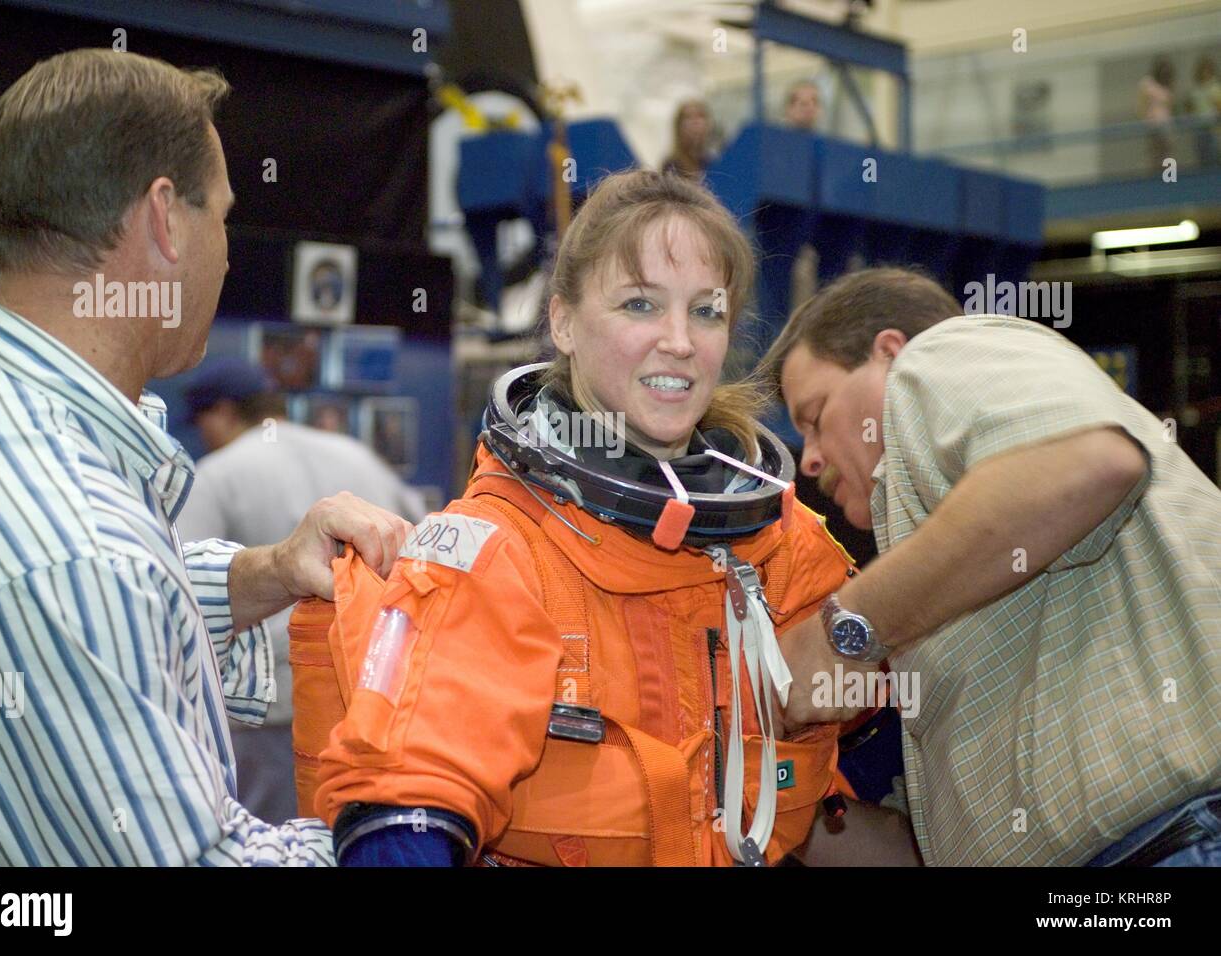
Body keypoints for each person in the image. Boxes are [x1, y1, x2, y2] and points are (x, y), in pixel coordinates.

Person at [305, 170, 922, 867]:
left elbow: (902, 774)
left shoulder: (786, 553)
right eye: (640, 304)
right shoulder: (501, 552)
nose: (680, 342)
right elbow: (409, 802)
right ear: (563, 321)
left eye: (707, 311)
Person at [0, 49, 412, 865]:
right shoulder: (70, 554)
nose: (225, 250)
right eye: (220, 214)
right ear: (162, 220)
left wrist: (266, 574)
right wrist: (416, 833)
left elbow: (112, 612)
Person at [765, 267, 1221, 866]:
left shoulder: (942, 356)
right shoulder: (949, 570)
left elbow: (1090, 462)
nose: (811, 460)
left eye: (816, 416)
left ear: (889, 353)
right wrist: (771, 790)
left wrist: (840, 634)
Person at [176, 357, 425, 823]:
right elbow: (421, 536)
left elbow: (180, 588)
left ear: (224, 413)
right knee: (356, 834)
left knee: (272, 838)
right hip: (376, 695)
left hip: (271, 709)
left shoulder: (218, 472)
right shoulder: (355, 453)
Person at [660, 99, 716, 180]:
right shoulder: (671, 166)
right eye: (688, 117)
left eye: (700, 116)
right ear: (678, 126)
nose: (695, 122)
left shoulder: (712, 161)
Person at [1139, 56, 1176, 173]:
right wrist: (1145, 119)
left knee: (1167, 151)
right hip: (1152, 124)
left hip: (1166, 123)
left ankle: (1169, 177)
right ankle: (1154, 176)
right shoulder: (1147, 83)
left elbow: (1170, 105)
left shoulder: (1167, 85)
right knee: (1155, 153)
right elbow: (1141, 104)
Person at [1187, 55, 1221, 168]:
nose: (1205, 73)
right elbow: (1191, 107)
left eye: (1208, 70)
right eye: (1203, 70)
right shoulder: (1196, 90)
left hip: (1212, 128)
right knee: (1202, 154)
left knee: (1213, 153)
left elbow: (1218, 106)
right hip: (1199, 127)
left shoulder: (1214, 87)